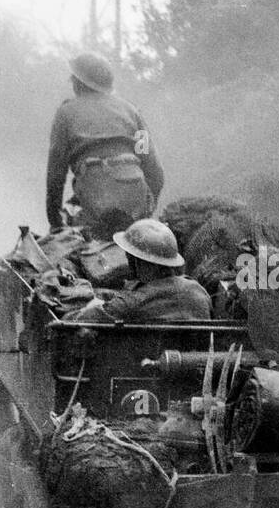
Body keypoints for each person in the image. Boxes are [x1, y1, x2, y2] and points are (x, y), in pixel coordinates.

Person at [45, 52, 164, 237]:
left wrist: (54, 223)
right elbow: (154, 170)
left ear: (78, 83)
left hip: (95, 202)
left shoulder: (65, 113)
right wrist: (147, 210)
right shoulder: (131, 112)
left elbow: (56, 175)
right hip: (136, 201)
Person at [62, 218, 210, 323]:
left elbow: (71, 321)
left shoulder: (132, 303)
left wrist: (92, 306)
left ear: (137, 262)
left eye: (130, 258)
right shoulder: (199, 291)